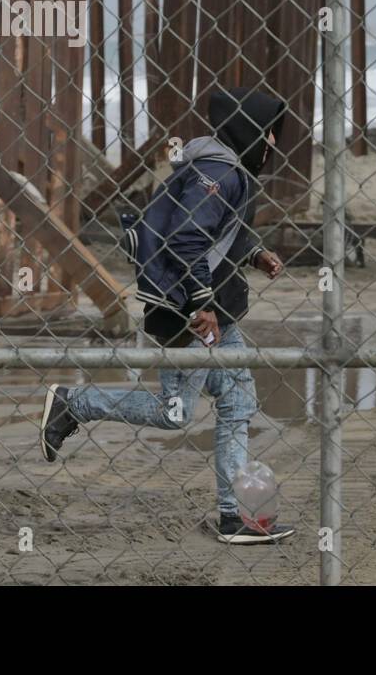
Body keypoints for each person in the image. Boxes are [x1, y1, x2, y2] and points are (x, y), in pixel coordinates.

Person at [39, 86, 295, 545]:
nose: (274, 144)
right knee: (174, 412)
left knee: (237, 403)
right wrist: (202, 305)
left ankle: (233, 517)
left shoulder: (225, 169)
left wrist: (255, 253)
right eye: (270, 133)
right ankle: (73, 403)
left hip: (215, 315)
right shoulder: (217, 172)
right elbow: (186, 239)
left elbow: (220, 230)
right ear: (250, 130)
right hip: (190, 315)